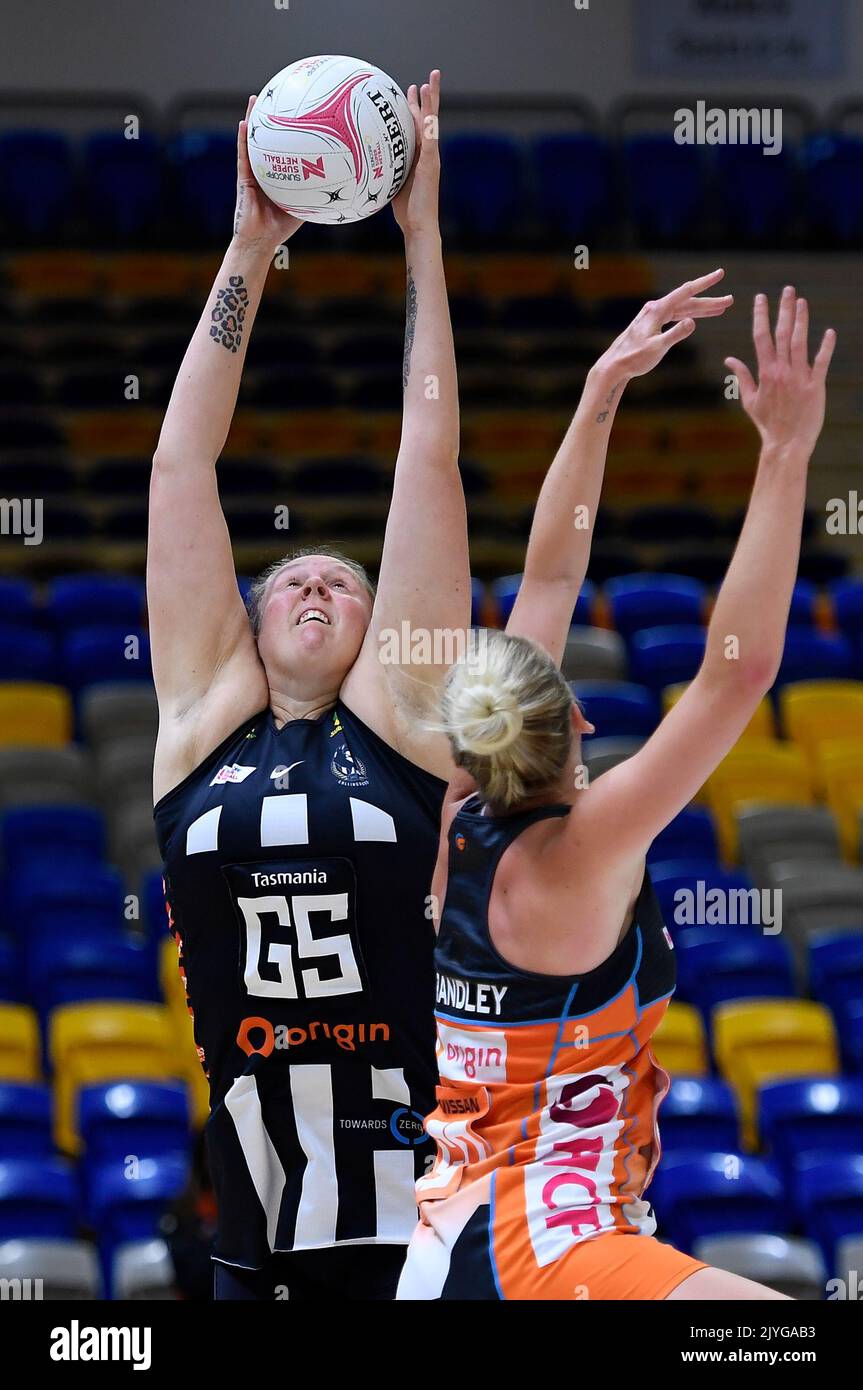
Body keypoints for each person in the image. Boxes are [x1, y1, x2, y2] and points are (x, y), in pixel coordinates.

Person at [397, 286, 835, 1300]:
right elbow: (734, 669)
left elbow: (547, 580)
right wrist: (779, 454)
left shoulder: (454, 814)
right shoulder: (581, 850)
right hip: (543, 1246)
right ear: (580, 723)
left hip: (445, 1242)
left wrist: (601, 393)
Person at [149, 72, 473, 1301]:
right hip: (253, 1224)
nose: (322, 587)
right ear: (248, 619)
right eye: (294, 579)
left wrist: (421, 240)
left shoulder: (399, 726)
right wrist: (247, 247)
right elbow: (183, 460)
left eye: (348, 582)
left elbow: (426, 451)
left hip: (415, 1224)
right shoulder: (201, 724)